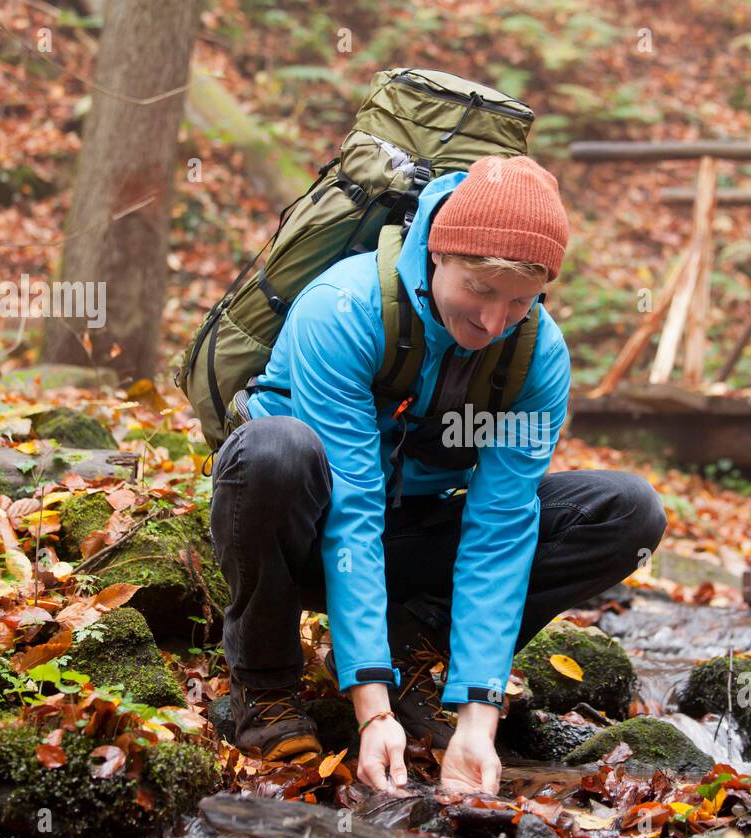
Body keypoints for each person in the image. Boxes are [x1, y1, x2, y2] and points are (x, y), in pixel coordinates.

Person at [209, 154, 666, 796]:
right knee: (272, 452)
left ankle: (417, 649)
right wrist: (373, 710)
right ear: (437, 255)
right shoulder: (341, 310)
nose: (492, 322)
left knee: (627, 510)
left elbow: (500, 528)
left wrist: (479, 718)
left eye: (520, 300)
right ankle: (268, 687)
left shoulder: (539, 358)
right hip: (304, 535)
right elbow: (352, 510)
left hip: (415, 539)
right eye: (479, 290)